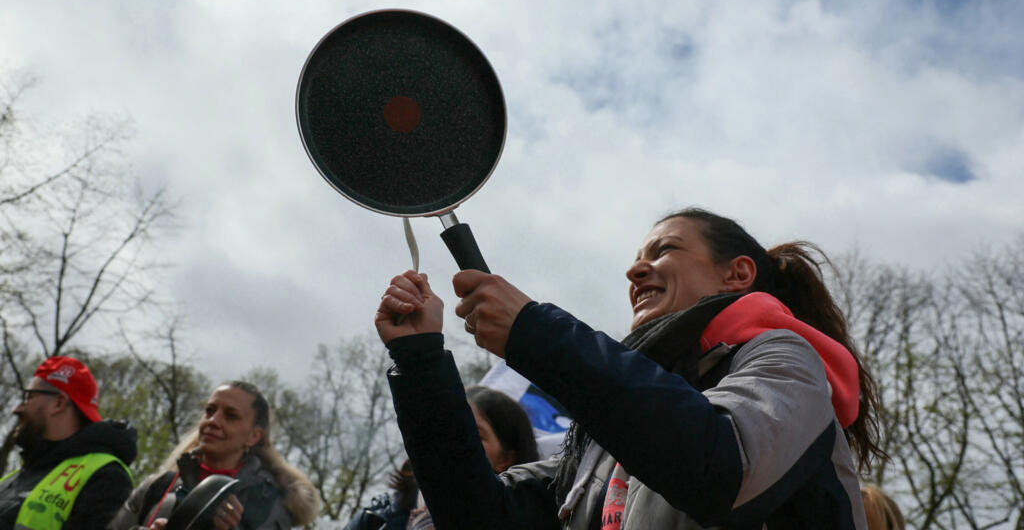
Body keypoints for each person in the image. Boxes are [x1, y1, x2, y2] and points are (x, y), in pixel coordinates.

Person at [375, 207, 884, 529]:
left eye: (665, 251)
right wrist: (420, 361)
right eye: (639, 257)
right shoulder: (601, 446)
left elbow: (723, 468)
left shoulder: (785, 360)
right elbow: (474, 515)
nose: (634, 269)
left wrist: (534, 332)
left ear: (738, 274)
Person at [110, 381, 319, 530]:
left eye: (231, 416)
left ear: (254, 436)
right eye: (209, 411)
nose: (213, 421)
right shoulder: (158, 486)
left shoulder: (270, 505)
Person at [344, 386, 539, 530]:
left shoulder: (528, 521)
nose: (455, 441)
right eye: (448, 429)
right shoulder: (377, 518)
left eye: (474, 435)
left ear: (505, 459)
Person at [0, 355, 137, 529]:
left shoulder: (107, 477)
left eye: (29, 397)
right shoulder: (14, 477)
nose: (17, 408)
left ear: (58, 403)